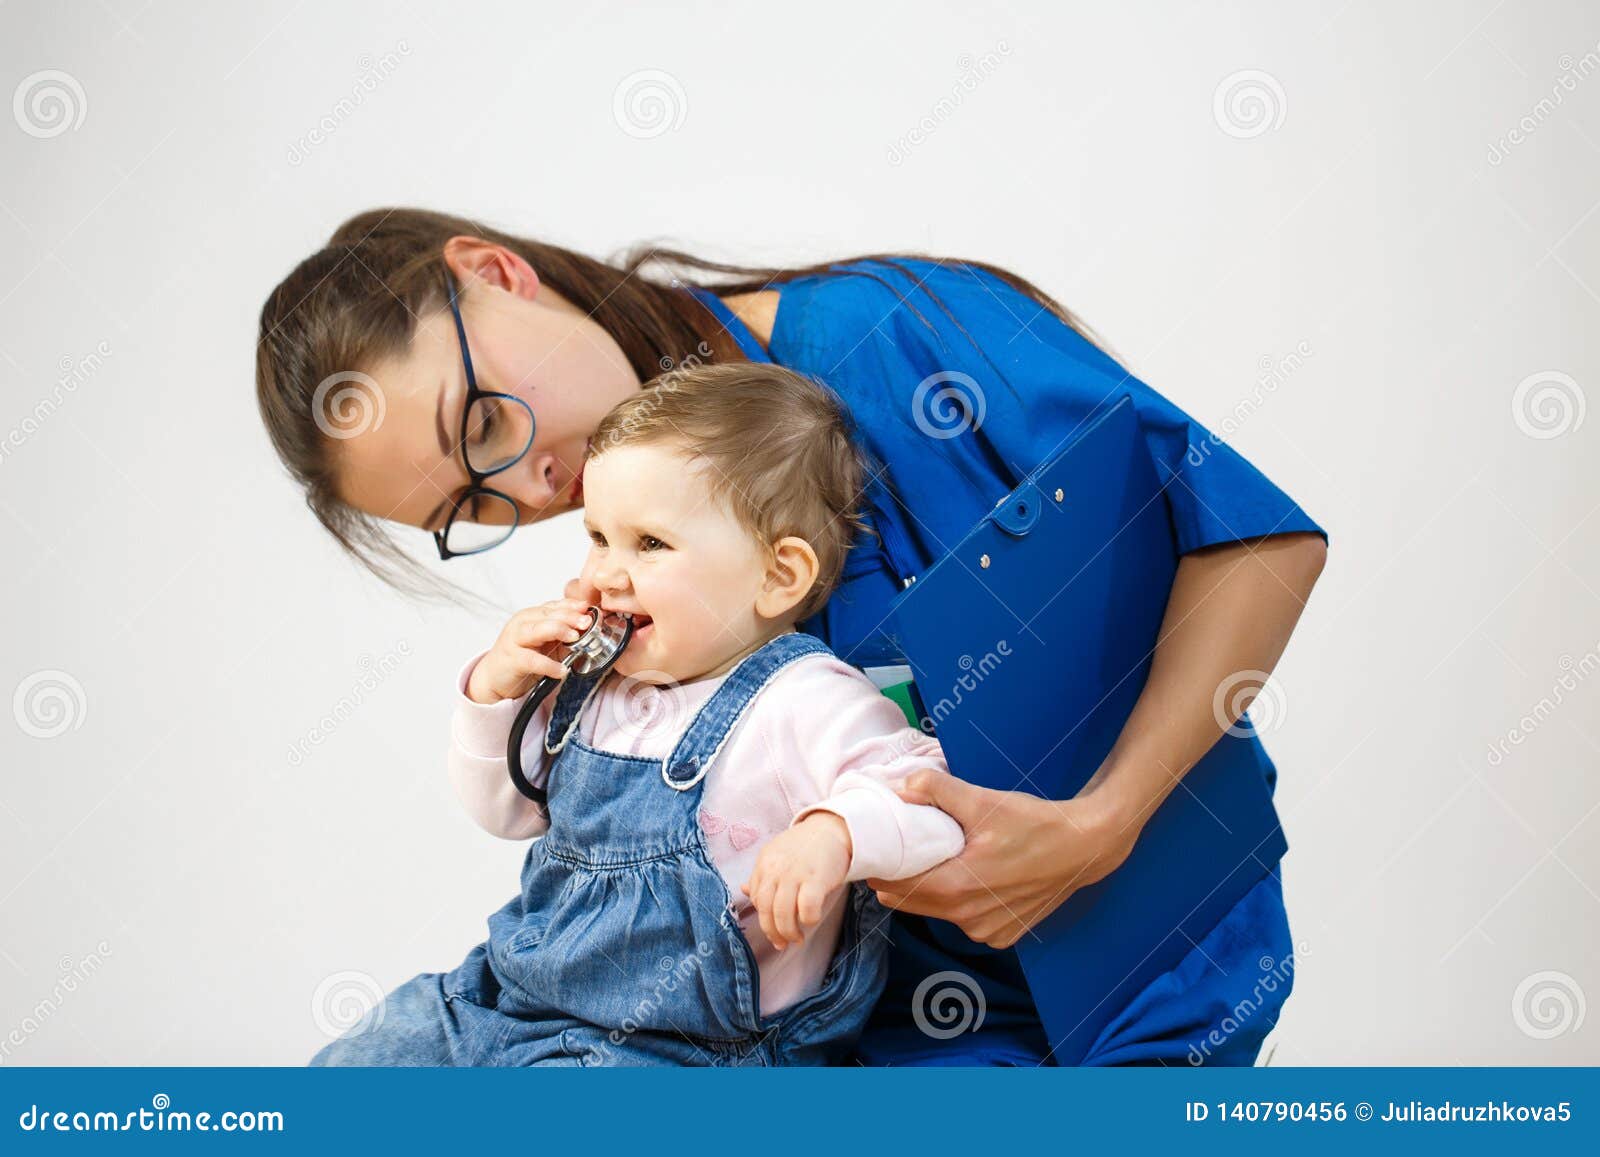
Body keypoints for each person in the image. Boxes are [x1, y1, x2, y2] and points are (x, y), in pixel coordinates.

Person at [258, 207, 1329, 1065]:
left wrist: (1099, 822)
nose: (533, 485)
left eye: (484, 421)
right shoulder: (639, 584)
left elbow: (1250, 536)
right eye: (471, 507)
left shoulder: (897, 332)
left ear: (494, 271)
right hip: (891, 1049)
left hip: (1152, 989)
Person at [310, 365, 964, 1066]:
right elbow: (505, 810)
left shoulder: (804, 698)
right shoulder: (595, 679)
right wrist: (498, 691)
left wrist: (835, 832)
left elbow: (928, 804)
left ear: (779, 576)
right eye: (597, 535)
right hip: (515, 999)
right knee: (364, 1058)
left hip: (679, 1052)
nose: (605, 574)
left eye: (649, 543)